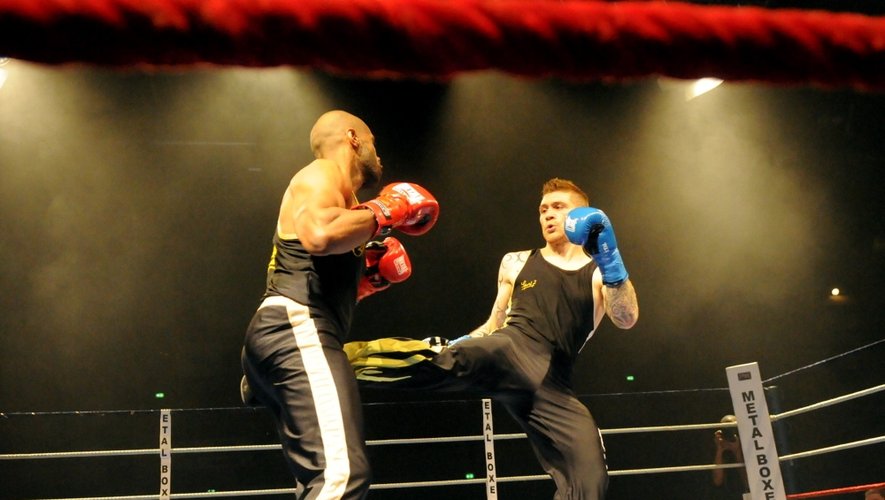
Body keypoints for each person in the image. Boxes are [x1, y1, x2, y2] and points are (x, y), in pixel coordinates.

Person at [344, 177, 639, 499]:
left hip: (554, 386)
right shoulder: (517, 261)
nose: (548, 215)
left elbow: (626, 319)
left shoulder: (599, 272)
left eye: (559, 207)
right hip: (511, 349)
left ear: (582, 215)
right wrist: (459, 345)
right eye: (543, 210)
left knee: (590, 480)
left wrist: (611, 260)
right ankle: (341, 358)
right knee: (443, 359)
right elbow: (493, 325)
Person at [240, 110, 439, 499]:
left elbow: (313, 265)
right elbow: (318, 235)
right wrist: (385, 210)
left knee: (325, 477)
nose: (377, 155)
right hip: (295, 327)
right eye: (373, 142)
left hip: (293, 331)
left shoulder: (344, 206)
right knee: (341, 477)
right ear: (353, 138)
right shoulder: (323, 172)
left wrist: (364, 282)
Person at [710, 414, 750, 500]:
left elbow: (748, 482)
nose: (730, 432)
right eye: (726, 429)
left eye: (732, 427)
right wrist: (719, 450)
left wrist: (737, 452)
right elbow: (717, 481)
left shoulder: (748, 446)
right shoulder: (719, 447)